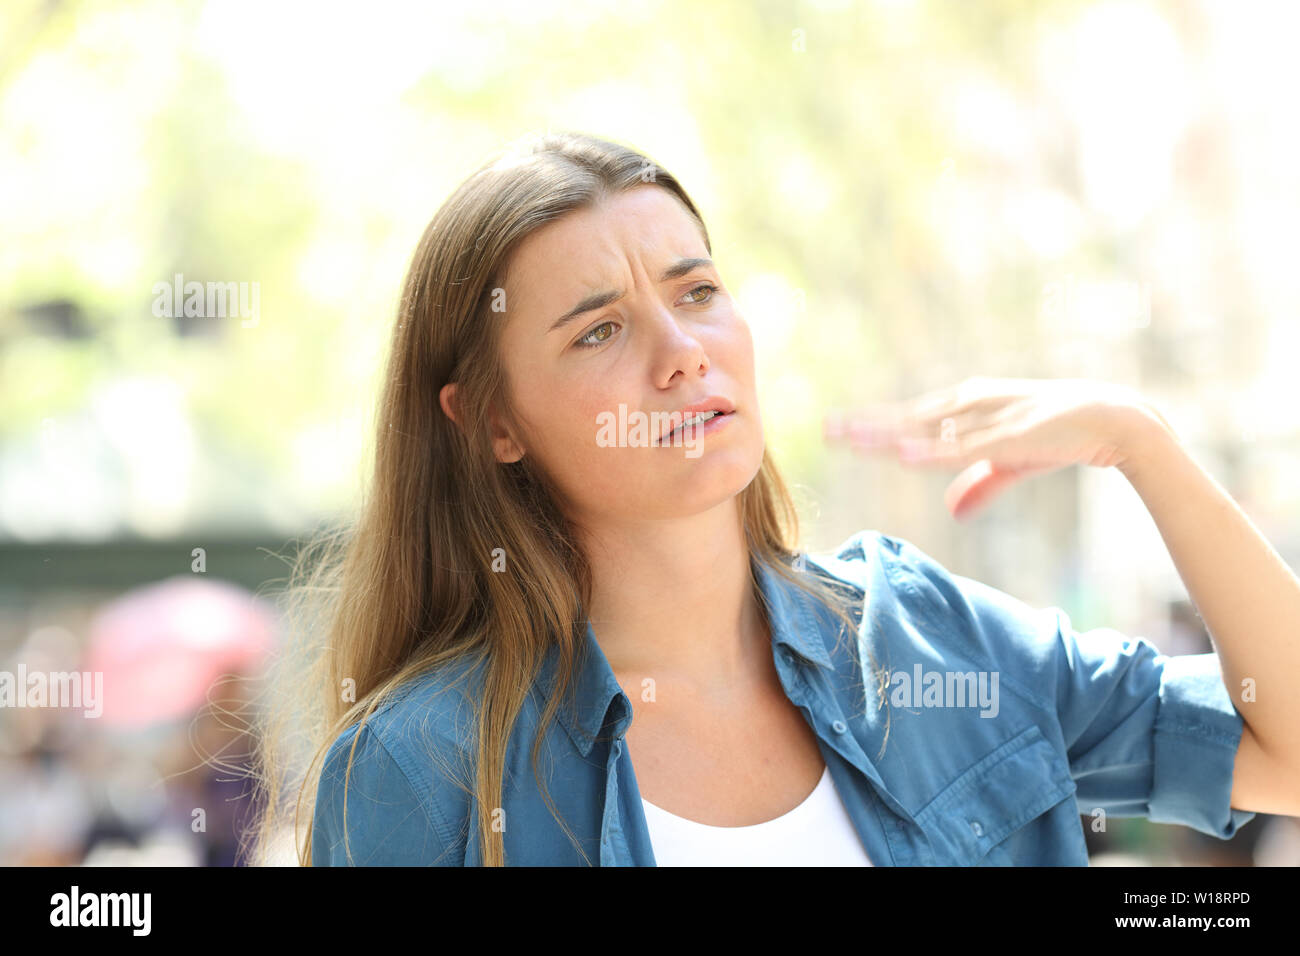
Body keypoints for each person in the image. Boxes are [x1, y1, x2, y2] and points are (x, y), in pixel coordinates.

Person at [244, 131, 1300, 867]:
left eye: (697, 291)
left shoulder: (926, 641)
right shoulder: (421, 764)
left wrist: (1140, 443)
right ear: (491, 422)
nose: (681, 354)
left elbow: (1287, 754)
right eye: (598, 328)